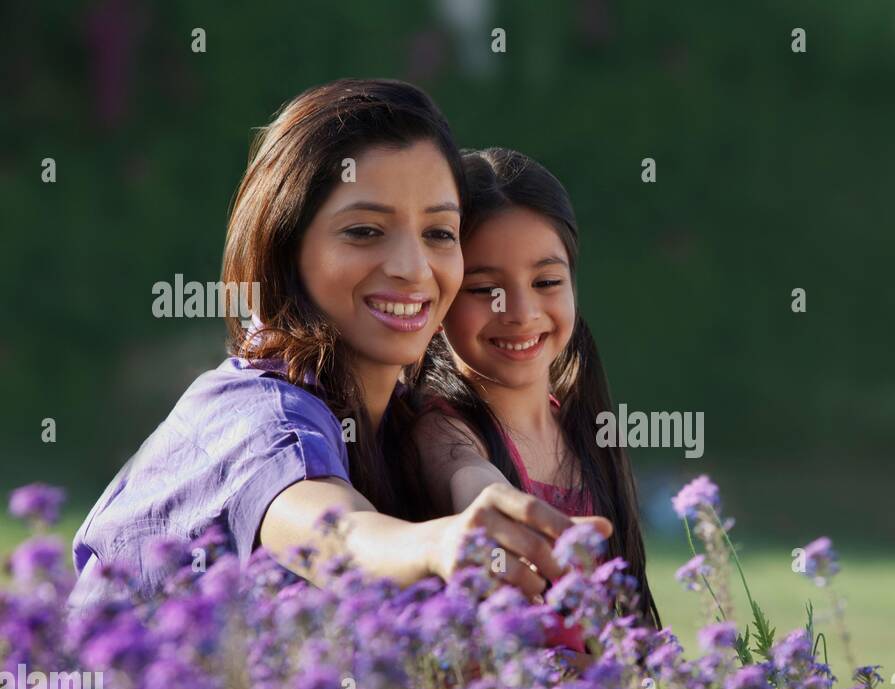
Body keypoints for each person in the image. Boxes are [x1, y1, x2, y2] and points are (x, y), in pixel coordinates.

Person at [69, 80, 608, 610]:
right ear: (285, 247)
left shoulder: (397, 424)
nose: (412, 268)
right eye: (365, 231)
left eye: (439, 233)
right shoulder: (254, 414)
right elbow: (337, 533)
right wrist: (440, 543)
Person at [415, 148, 658, 627]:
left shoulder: (590, 430)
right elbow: (466, 475)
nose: (521, 312)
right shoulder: (440, 428)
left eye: (546, 281)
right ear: (440, 294)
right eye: (485, 290)